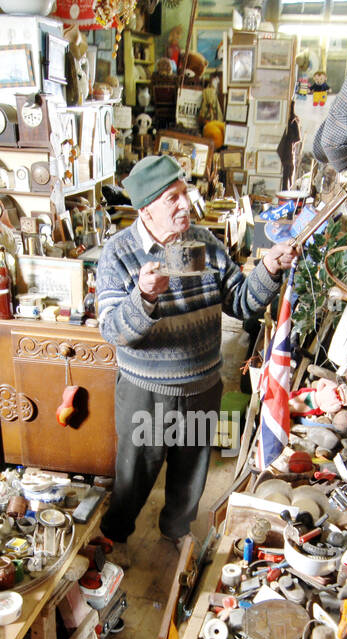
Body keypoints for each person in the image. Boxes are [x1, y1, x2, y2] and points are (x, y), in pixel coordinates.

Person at [96, 154, 296, 551]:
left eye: (184, 193)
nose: (185, 204)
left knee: (192, 475)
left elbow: (239, 303)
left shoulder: (205, 243)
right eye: (172, 198)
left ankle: (176, 536)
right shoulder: (119, 254)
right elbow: (114, 331)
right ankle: (111, 541)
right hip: (147, 393)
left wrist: (269, 270)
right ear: (145, 209)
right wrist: (145, 296)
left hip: (205, 385)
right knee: (134, 477)